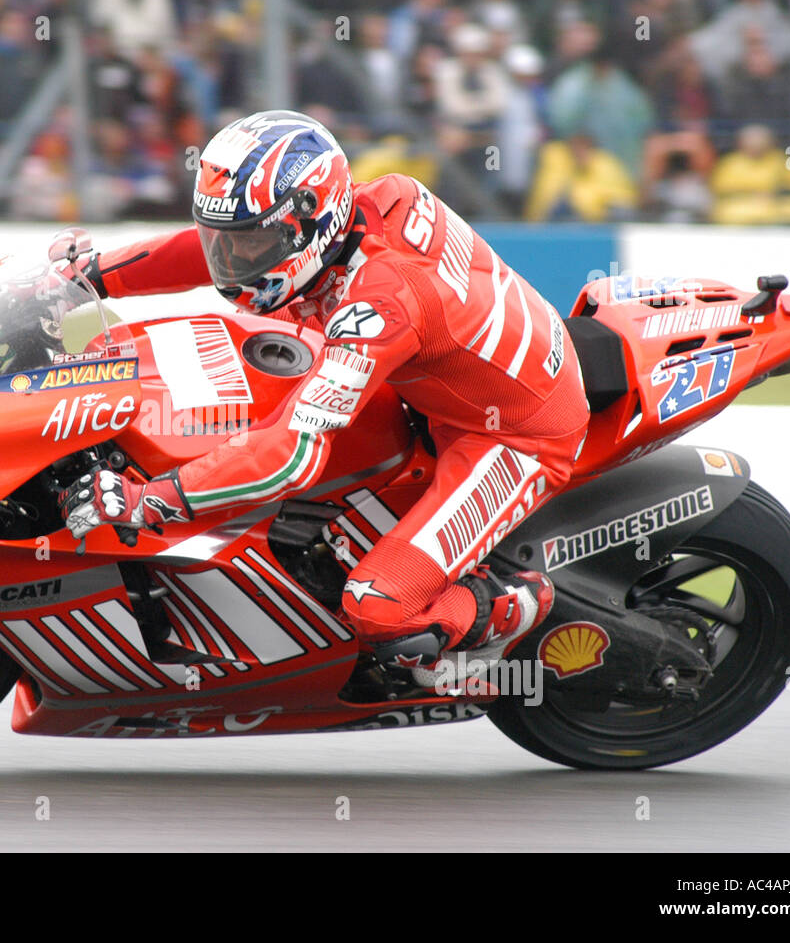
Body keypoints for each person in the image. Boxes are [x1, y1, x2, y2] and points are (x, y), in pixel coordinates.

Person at [58, 111, 589, 685]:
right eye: (227, 239)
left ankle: (511, 602)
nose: (230, 265)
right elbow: (204, 251)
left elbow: (292, 454)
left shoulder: (378, 302)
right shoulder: (346, 219)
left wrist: (150, 501)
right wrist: (93, 276)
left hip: (513, 433)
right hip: (438, 380)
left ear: (306, 222)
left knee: (379, 611)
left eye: (249, 244)